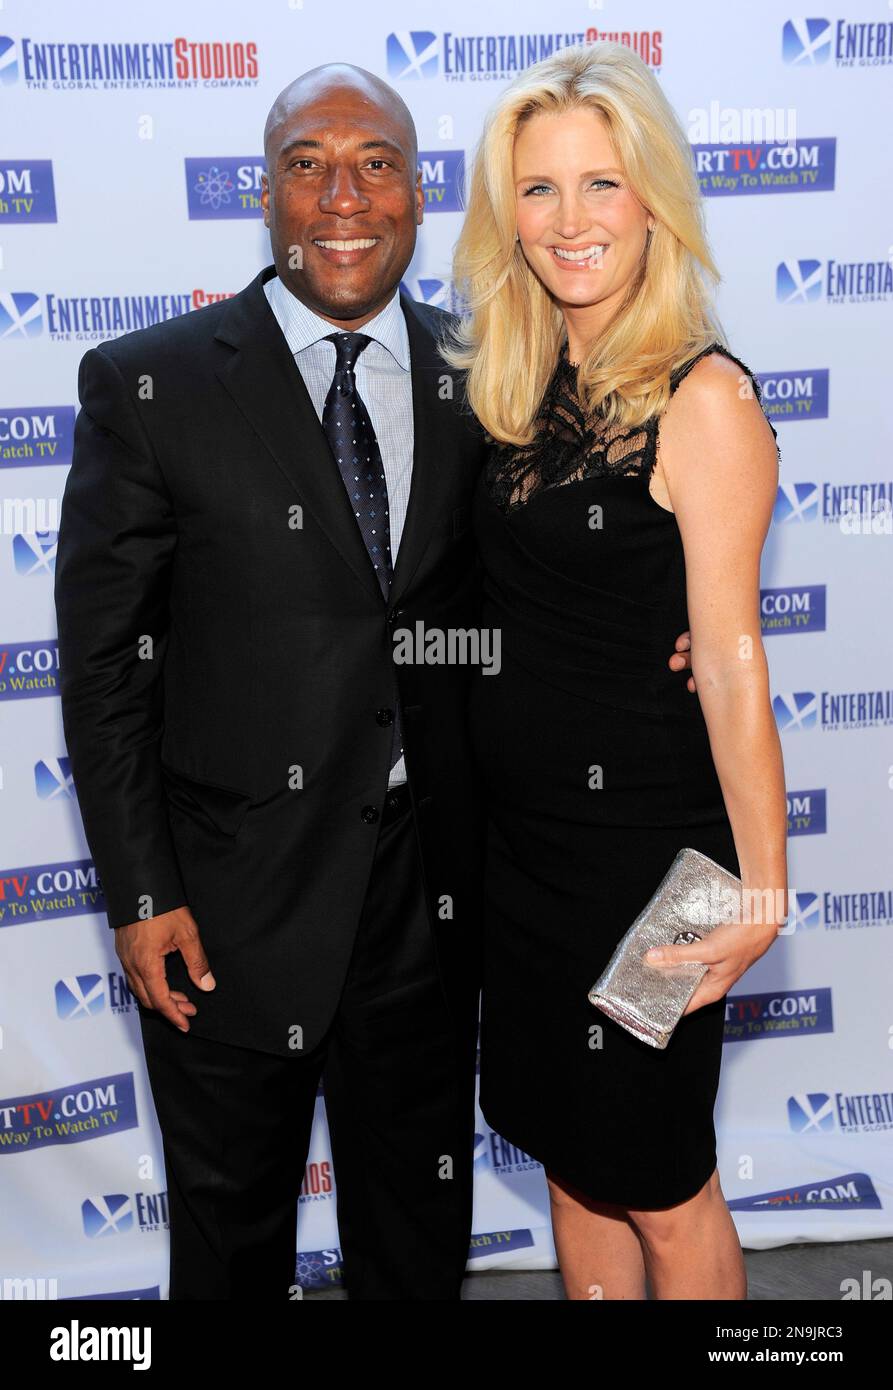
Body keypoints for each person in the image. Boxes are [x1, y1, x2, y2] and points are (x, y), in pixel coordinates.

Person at [54, 60, 695, 1302]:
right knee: (229, 1241)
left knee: (416, 1236)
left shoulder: (494, 373)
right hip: (228, 908)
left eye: (375, 165)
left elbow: (565, 559)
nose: (342, 196)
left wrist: (672, 631)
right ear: (266, 194)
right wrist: (141, 892)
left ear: (416, 194)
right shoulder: (153, 383)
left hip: (437, 897)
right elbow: (102, 664)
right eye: (307, 164)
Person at [442, 41, 788, 1301]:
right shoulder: (515, 386)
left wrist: (762, 885)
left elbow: (733, 655)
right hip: (525, 856)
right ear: (505, 213)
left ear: (653, 201)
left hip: (659, 866)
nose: (569, 220)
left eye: (603, 184)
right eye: (538, 189)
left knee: (658, 1174)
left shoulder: (701, 397)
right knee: (570, 1160)